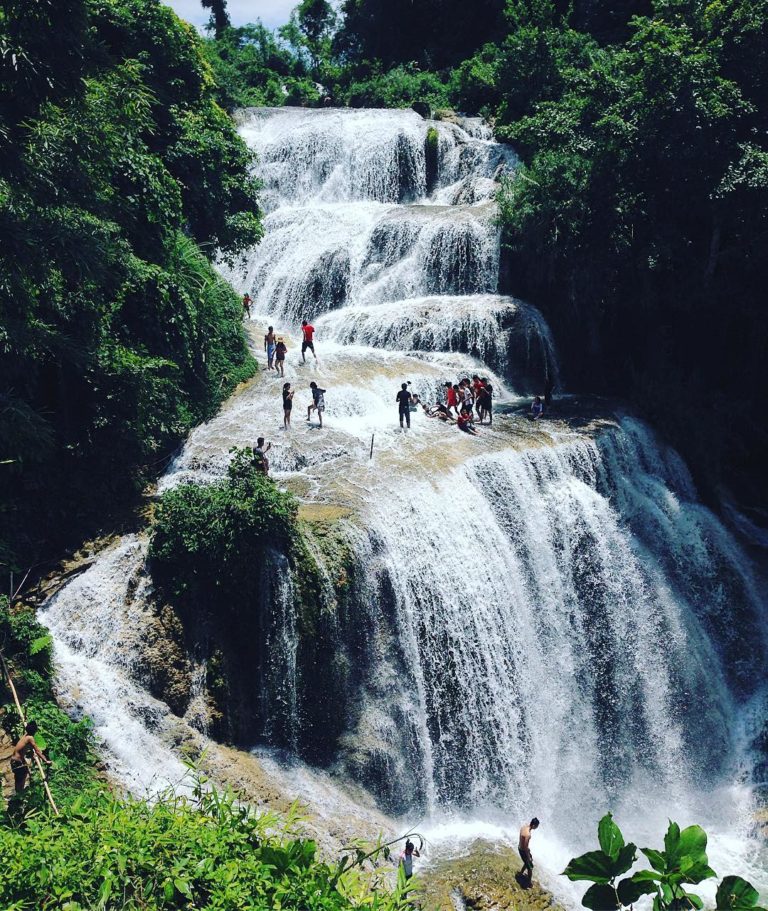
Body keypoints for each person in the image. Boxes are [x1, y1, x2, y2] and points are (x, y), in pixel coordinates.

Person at [10, 721, 51, 793]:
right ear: (34, 731)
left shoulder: (25, 735)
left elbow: (26, 746)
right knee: (23, 776)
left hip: (13, 760)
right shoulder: (30, 738)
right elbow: (37, 751)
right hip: (17, 762)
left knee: (18, 778)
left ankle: (17, 794)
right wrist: (45, 760)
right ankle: (20, 794)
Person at [519, 818, 540, 882]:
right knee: (530, 868)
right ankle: (528, 882)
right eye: (537, 826)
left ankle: (521, 873)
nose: (537, 827)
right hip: (523, 851)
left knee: (529, 861)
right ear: (533, 826)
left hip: (520, 847)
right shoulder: (528, 834)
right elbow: (525, 847)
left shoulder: (524, 827)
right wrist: (528, 856)